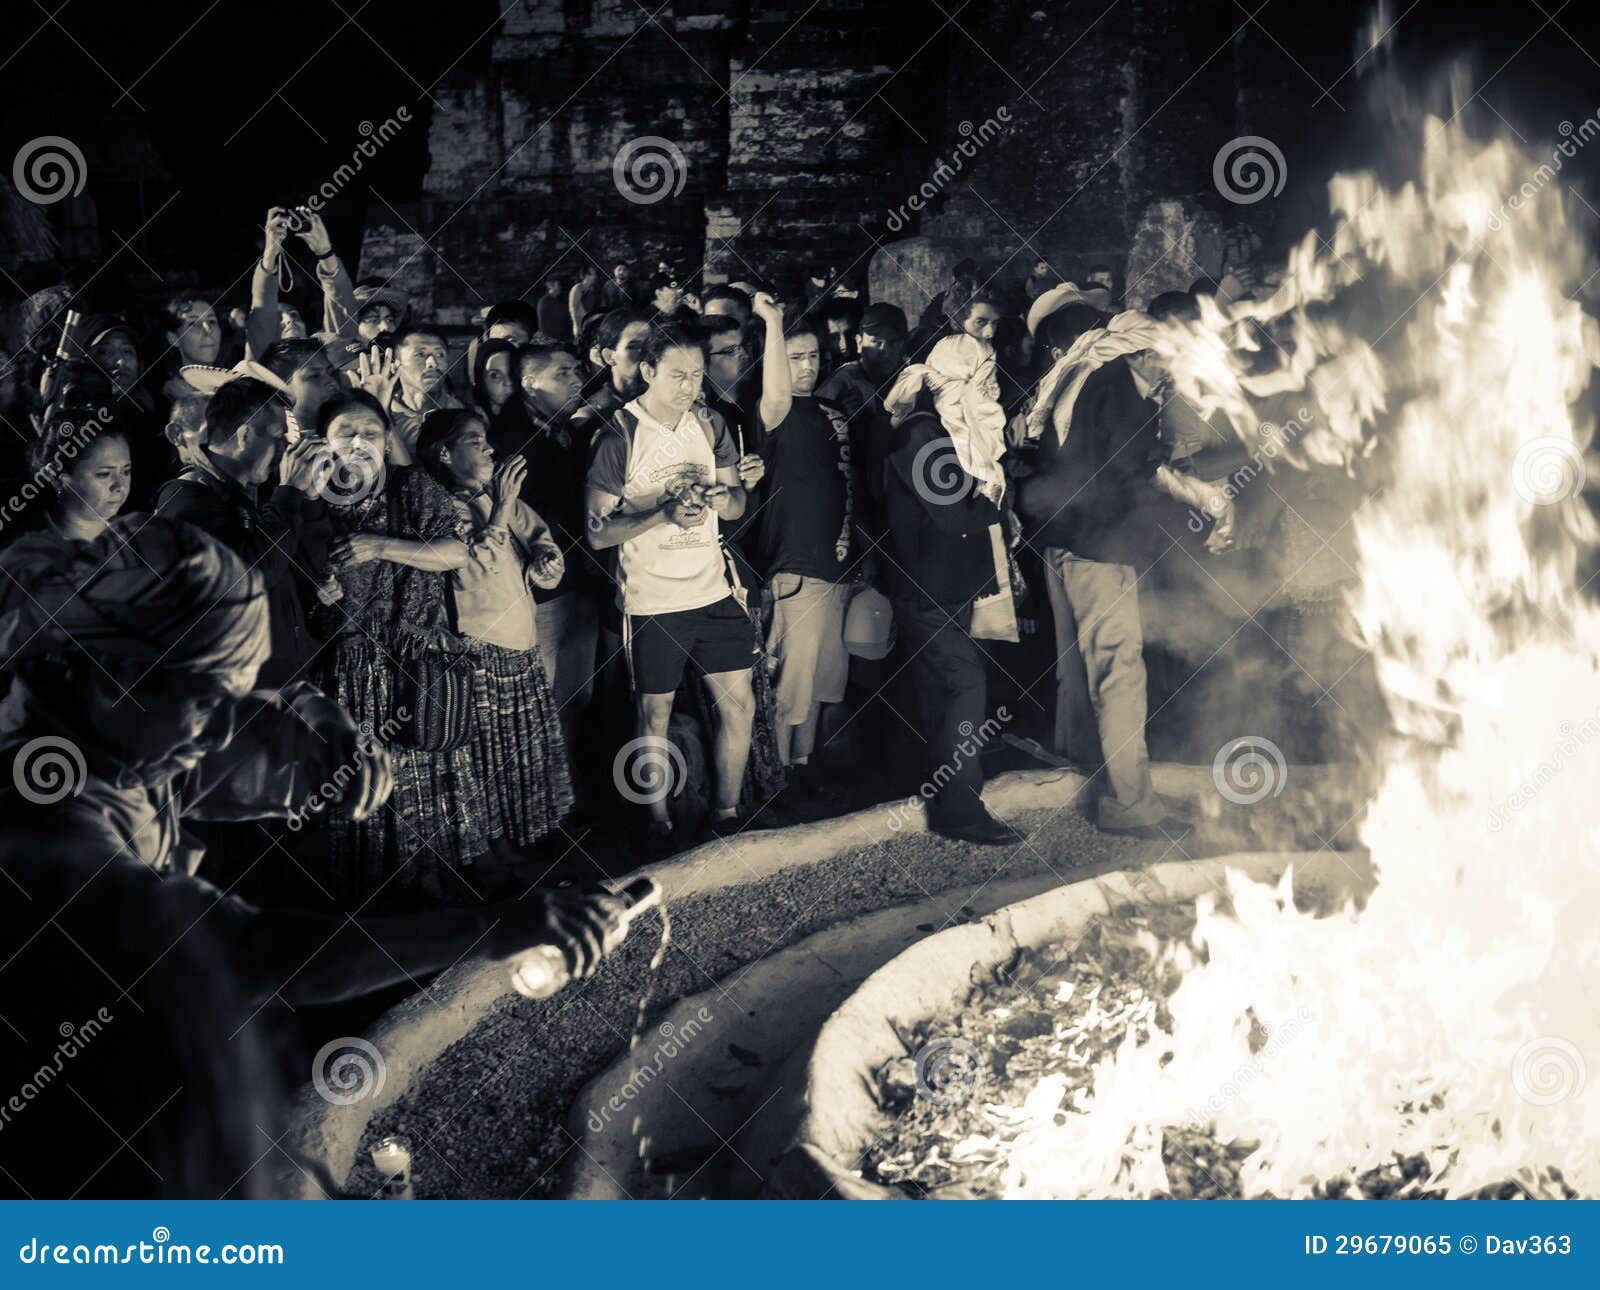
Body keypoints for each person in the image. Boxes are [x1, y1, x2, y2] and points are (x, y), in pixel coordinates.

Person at [0, 516, 628, 1197]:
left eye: (230, 701)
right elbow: (246, 953)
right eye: (207, 702)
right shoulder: (44, 829)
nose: (219, 732)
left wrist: (334, 740)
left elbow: (255, 729)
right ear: (111, 677)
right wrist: (492, 927)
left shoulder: (111, 742)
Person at [1018, 309, 1233, 837]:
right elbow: (1132, 474)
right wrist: (1202, 504)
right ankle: (1129, 805)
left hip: (1065, 544)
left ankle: (1089, 769)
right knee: (1120, 676)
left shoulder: (1094, 381)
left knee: (1087, 671)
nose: (1173, 371)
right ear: (1142, 354)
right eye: (1168, 359)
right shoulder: (1119, 393)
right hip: (1097, 553)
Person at [309, 391, 491, 905]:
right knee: (362, 780)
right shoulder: (311, 497)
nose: (360, 441)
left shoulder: (411, 486)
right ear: (324, 442)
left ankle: (430, 884)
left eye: (371, 432)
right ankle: (370, 895)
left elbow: (455, 552)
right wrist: (319, 592)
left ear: (389, 440)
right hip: (347, 670)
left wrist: (379, 546)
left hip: (414, 660)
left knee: (422, 766)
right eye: (346, 432)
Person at [585, 322, 756, 843]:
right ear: (648, 371)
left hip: (714, 591)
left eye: (697, 375)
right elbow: (597, 532)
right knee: (653, 713)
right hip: (653, 598)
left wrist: (727, 497)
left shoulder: (709, 422)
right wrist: (661, 513)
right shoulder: (619, 433)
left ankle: (728, 815)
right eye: (678, 375)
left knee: (740, 705)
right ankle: (657, 825)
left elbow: (737, 504)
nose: (690, 386)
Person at [877, 366, 1024, 846]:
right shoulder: (922, 435)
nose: (990, 393)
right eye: (981, 383)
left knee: (940, 695)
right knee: (965, 685)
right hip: (929, 592)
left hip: (944, 589)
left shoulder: (944, 432)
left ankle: (942, 797)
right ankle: (961, 810)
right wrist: (993, 499)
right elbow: (953, 515)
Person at [416, 410, 573, 859]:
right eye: (473, 441)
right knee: (492, 760)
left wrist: (546, 562)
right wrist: (502, 505)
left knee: (525, 753)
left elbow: (539, 537)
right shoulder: (442, 508)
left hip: (520, 646)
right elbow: (471, 571)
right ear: (444, 454)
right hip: (481, 652)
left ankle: (533, 836)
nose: (488, 449)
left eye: (486, 440)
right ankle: (498, 852)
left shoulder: (494, 498)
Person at [156, 377, 332, 689]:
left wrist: (310, 500)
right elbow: (248, 577)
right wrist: (288, 493)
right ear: (245, 435)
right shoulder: (186, 499)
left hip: (286, 683)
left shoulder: (250, 492)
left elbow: (307, 568)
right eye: (277, 437)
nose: (284, 450)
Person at [749, 295, 856, 773]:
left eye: (813, 355)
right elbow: (775, 394)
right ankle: (774, 780)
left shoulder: (831, 410)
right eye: (795, 358)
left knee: (819, 684)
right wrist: (773, 321)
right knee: (789, 686)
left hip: (839, 568)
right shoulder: (776, 412)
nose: (807, 366)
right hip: (796, 568)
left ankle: (802, 767)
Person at [489, 344, 600, 751]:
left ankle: (564, 781)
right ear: (530, 383)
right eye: (562, 373)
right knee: (542, 698)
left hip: (577, 580)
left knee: (574, 695)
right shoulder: (512, 440)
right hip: (541, 591)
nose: (576, 380)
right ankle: (541, 782)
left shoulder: (563, 430)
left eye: (576, 371)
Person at [11, 412, 131, 546]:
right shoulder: (28, 550)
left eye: (126, 471)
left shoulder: (137, 533)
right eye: (103, 474)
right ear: (55, 477)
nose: (120, 486)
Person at [386, 326, 463, 465]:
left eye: (440, 355)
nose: (432, 363)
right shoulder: (383, 418)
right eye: (420, 354)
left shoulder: (465, 415)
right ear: (395, 366)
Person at [571, 306, 652, 432]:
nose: (646, 353)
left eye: (651, 345)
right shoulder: (590, 417)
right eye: (634, 347)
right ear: (609, 356)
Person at [258, 336, 343, 438]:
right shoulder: (277, 446)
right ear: (281, 389)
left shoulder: (352, 431)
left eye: (332, 373)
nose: (332, 382)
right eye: (315, 376)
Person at [473, 336, 519, 420]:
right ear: (481, 379)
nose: (508, 383)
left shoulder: (535, 417)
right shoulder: (470, 418)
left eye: (511, 373)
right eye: (495, 376)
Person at [569, 264, 605, 337]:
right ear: (586, 275)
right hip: (580, 325)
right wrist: (576, 327)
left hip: (591, 325)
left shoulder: (594, 289)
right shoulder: (577, 288)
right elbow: (573, 309)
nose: (595, 276)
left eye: (595, 274)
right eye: (592, 274)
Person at [537, 275, 571, 341]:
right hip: (551, 340)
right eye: (557, 284)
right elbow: (543, 326)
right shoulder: (544, 302)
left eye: (560, 284)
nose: (559, 287)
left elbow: (565, 320)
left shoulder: (562, 301)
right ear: (549, 285)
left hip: (563, 339)